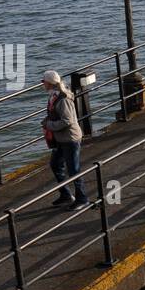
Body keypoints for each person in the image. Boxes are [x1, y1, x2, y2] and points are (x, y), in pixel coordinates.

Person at [41, 70, 91, 212]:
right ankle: (66, 194)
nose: (42, 84)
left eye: (43, 81)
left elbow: (67, 120)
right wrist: (47, 121)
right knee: (55, 165)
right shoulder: (54, 95)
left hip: (70, 138)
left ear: (50, 83)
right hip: (60, 138)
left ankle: (83, 199)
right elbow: (55, 115)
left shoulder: (62, 99)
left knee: (73, 169)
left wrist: (49, 125)